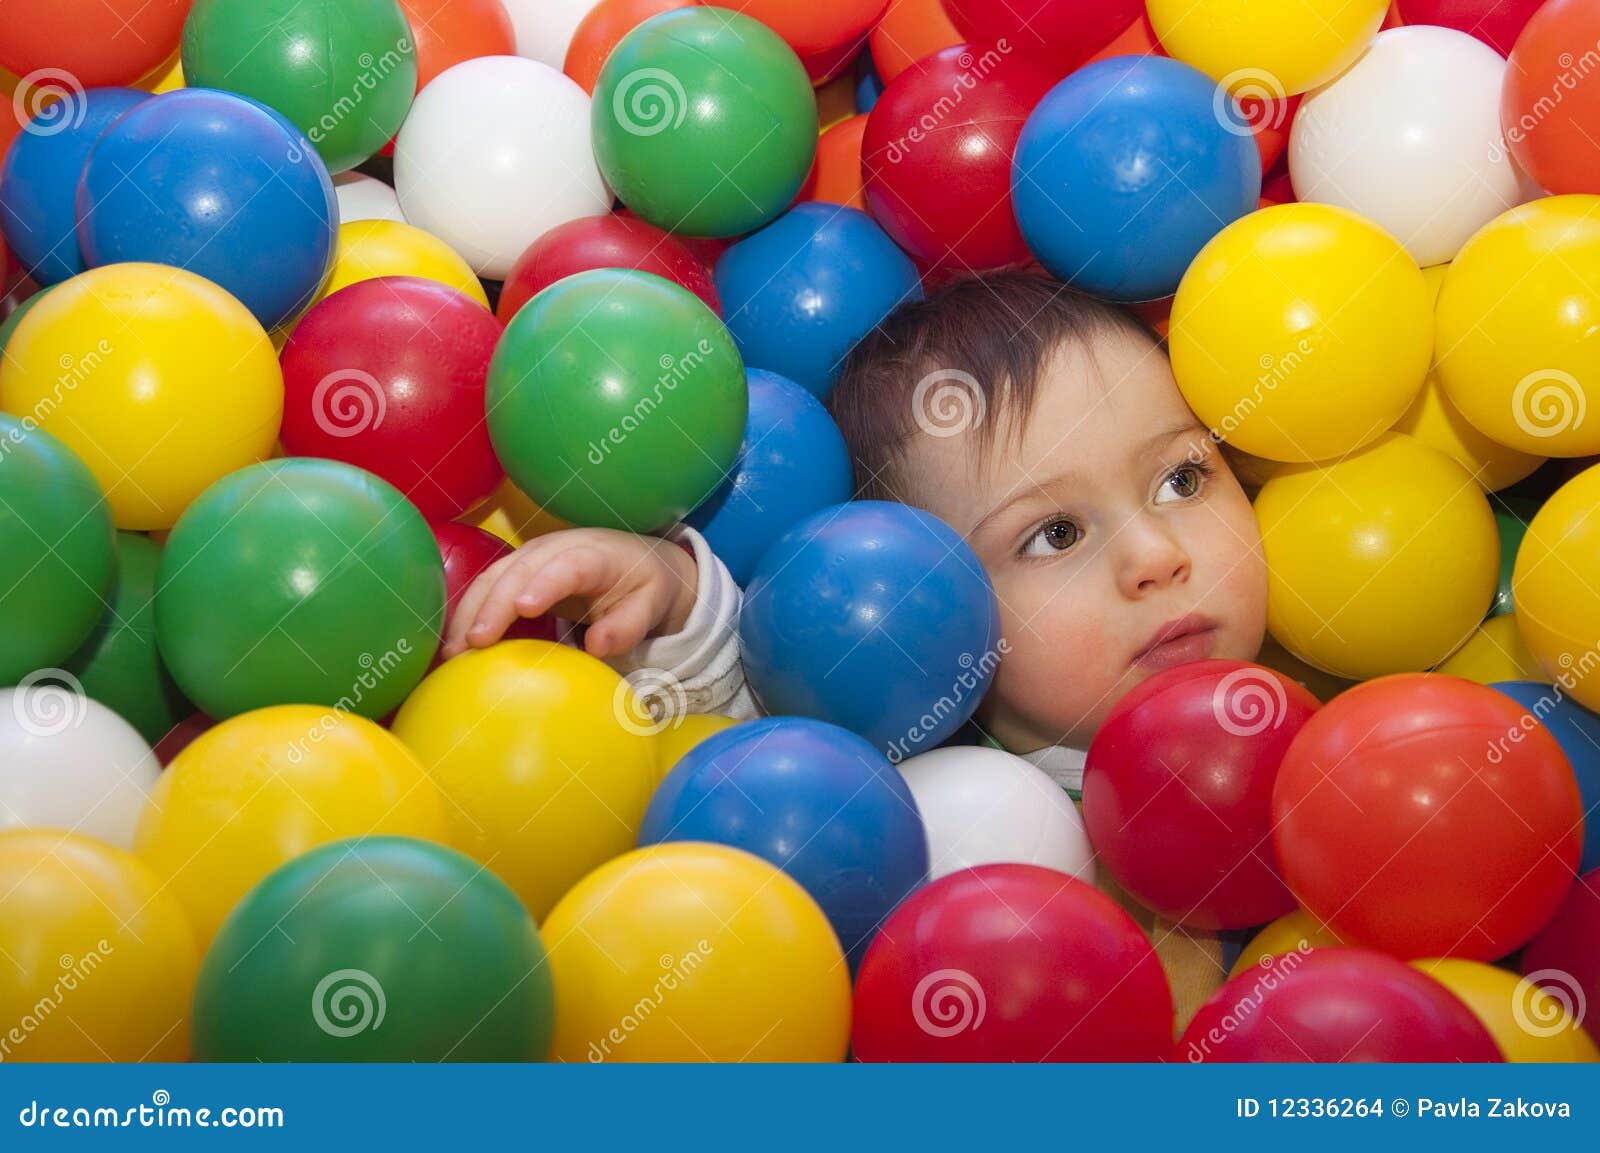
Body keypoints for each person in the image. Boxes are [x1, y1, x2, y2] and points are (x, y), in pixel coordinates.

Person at [442, 270, 1273, 1028]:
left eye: (1183, 479)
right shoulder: (925, 799)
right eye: (1054, 534)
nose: (1156, 558)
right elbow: (771, 749)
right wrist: (673, 597)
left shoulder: (1321, 718)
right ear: (931, 615)